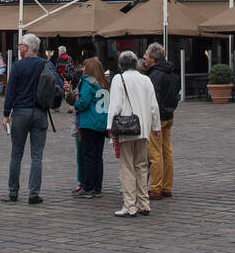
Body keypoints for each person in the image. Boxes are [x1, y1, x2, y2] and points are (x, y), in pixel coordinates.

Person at [2, 33, 59, 204]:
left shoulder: (18, 66)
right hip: (40, 112)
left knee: (16, 154)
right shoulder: (45, 64)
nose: (18, 48)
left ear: (26, 48)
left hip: (20, 112)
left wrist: (6, 114)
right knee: (36, 155)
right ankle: (33, 193)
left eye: (20, 45)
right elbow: (56, 84)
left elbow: (10, 92)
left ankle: (13, 192)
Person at [107, 50, 162, 218]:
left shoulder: (118, 79)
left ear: (121, 65)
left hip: (125, 128)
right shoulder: (145, 79)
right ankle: (144, 203)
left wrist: (109, 126)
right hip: (143, 128)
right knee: (141, 165)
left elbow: (115, 105)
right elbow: (154, 105)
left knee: (127, 167)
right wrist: (157, 127)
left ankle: (129, 205)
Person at [141, 43, 179, 199]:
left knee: (155, 153)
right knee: (167, 151)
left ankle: (156, 188)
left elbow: (154, 99)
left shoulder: (155, 75)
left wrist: (155, 116)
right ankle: (167, 186)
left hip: (158, 118)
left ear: (153, 58)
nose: (144, 56)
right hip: (169, 115)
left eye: (146, 54)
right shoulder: (171, 72)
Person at [73, 57, 110, 198]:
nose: (82, 69)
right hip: (101, 123)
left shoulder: (87, 83)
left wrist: (76, 106)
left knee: (87, 155)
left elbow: (83, 102)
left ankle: (88, 187)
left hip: (88, 122)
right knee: (98, 156)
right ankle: (97, 186)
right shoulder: (104, 84)